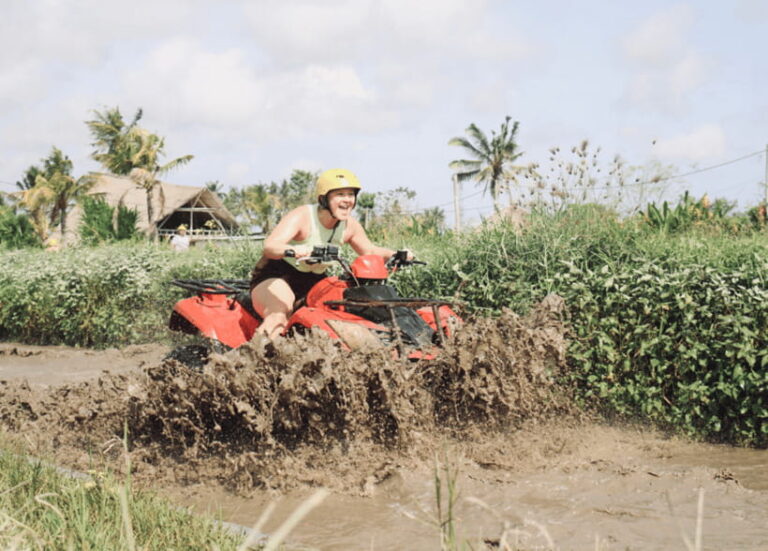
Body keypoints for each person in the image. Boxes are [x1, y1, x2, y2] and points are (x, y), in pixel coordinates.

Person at [250, 168, 410, 339]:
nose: (347, 200)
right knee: (279, 313)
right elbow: (270, 246)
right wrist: (296, 250)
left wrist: (397, 254)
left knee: (346, 310)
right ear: (324, 199)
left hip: (315, 281)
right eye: (340, 194)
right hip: (277, 275)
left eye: (351, 195)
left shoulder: (349, 225)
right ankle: (256, 359)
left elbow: (369, 251)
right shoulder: (303, 216)